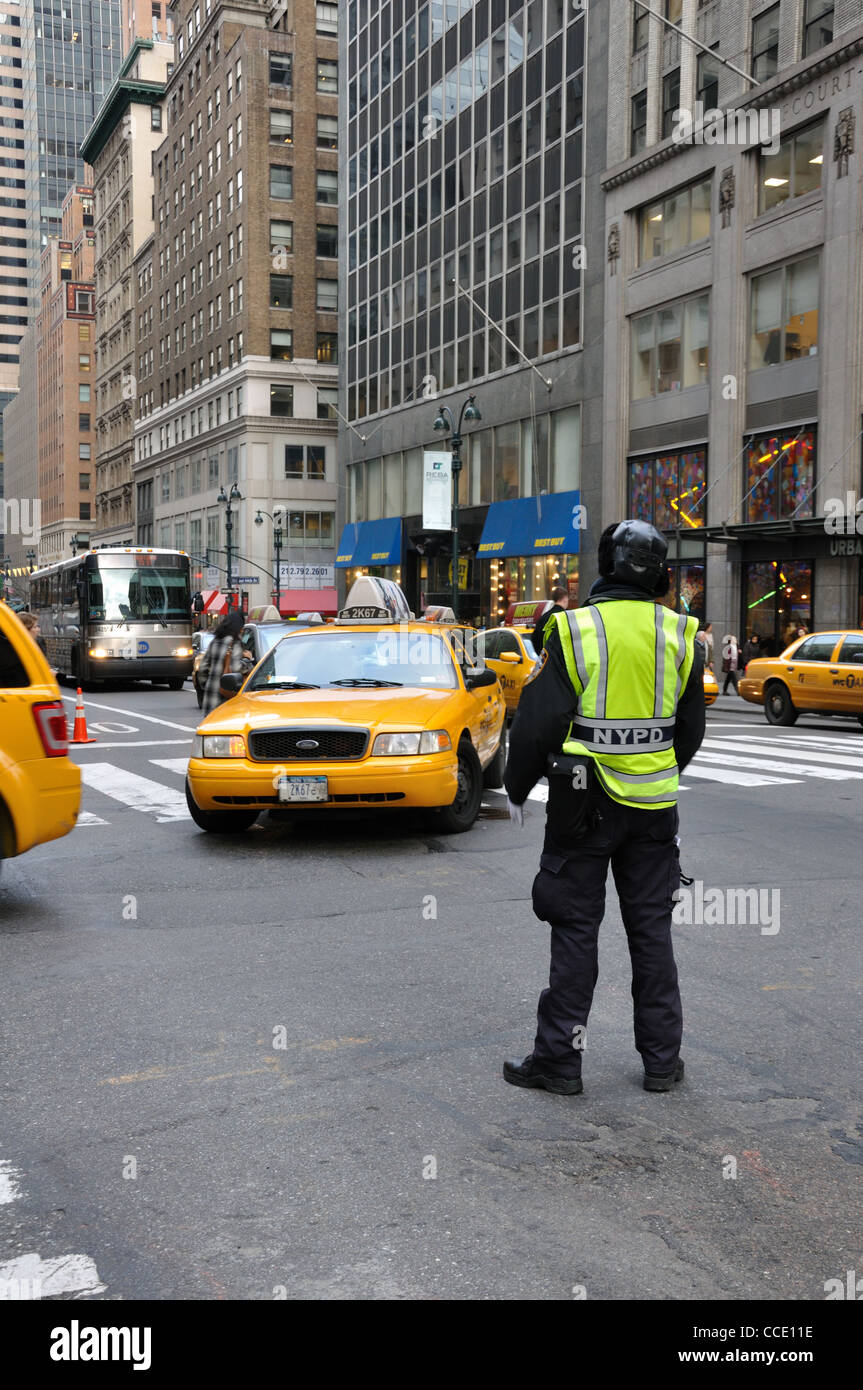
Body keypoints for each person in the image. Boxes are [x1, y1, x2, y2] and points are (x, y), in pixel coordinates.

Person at [503, 519, 705, 1095]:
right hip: (654, 809)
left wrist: (517, 788)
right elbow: (690, 730)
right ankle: (662, 1063)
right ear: (662, 574)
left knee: (574, 929)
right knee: (651, 933)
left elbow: (537, 723)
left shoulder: (571, 629)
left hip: (582, 805)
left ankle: (560, 1064)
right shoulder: (682, 633)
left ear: (605, 567)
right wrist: (657, 768)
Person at [200, 610, 244, 714]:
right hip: (225, 700)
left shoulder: (215, 641)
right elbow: (236, 667)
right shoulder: (235, 643)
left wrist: (207, 685)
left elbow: (202, 668)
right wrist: (248, 664)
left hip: (210, 698)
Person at [531, 586, 569, 654]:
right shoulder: (566, 617)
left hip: (544, 659)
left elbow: (535, 639)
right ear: (565, 599)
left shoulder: (543, 617)